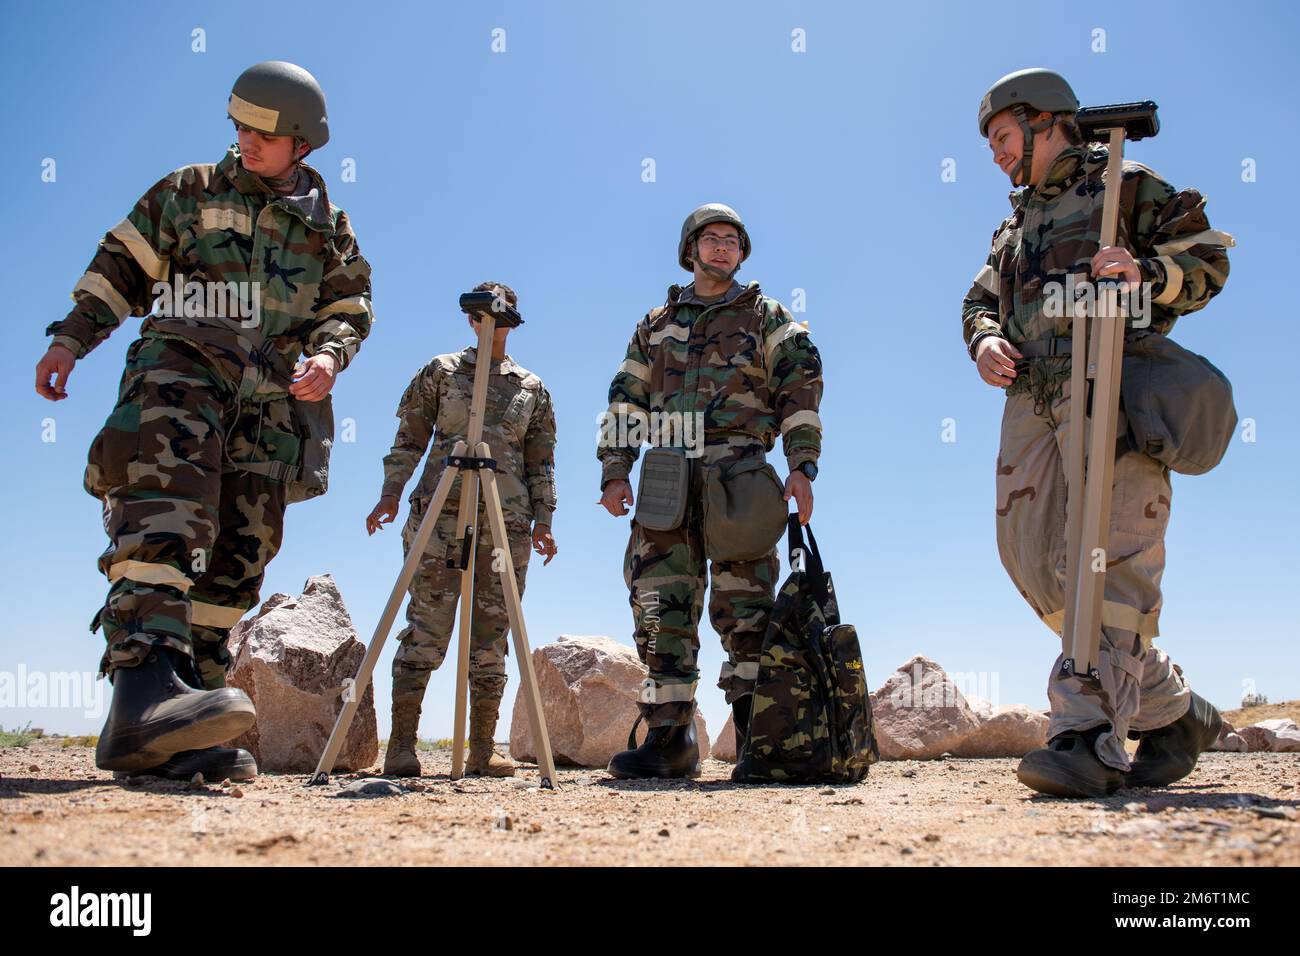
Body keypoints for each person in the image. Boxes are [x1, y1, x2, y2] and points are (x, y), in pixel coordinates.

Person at [35, 60, 373, 781]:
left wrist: (330, 357)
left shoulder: (329, 228)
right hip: (184, 367)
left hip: (273, 402)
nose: (248, 143)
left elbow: (349, 307)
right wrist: (70, 339)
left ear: (302, 145)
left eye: (265, 134)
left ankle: (186, 719)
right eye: (241, 128)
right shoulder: (190, 190)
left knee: (239, 554)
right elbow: (120, 268)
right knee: (168, 506)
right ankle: (142, 690)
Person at [962, 68, 1234, 797]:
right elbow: (979, 299)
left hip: (1109, 379)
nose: (993, 153)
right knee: (1031, 557)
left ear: (1047, 122)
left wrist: (1144, 270)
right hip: (1030, 394)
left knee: (1103, 560)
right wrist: (984, 338)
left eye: (1002, 136)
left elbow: (1208, 259)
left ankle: (1086, 733)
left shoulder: (1125, 182)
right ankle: (1172, 709)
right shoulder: (1014, 225)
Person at [599, 203, 822, 779]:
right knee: (659, 607)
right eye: (711, 239)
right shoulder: (656, 323)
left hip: (739, 472)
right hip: (666, 476)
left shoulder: (767, 316)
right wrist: (615, 470)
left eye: (732, 241)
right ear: (690, 249)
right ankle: (669, 739)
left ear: (741, 253)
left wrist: (802, 464)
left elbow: (800, 387)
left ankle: (756, 740)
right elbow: (626, 397)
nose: (722, 248)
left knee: (746, 610)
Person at [367, 282, 558, 777]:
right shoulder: (441, 372)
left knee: (492, 636)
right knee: (427, 627)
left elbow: (542, 462)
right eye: (479, 315)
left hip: (505, 520)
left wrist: (545, 520)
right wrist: (390, 492)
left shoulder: (531, 387)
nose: (486, 324)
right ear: (470, 321)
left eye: (495, 316)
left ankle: (481, 749)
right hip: (440, 512)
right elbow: (408, 437)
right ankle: (402, 746)